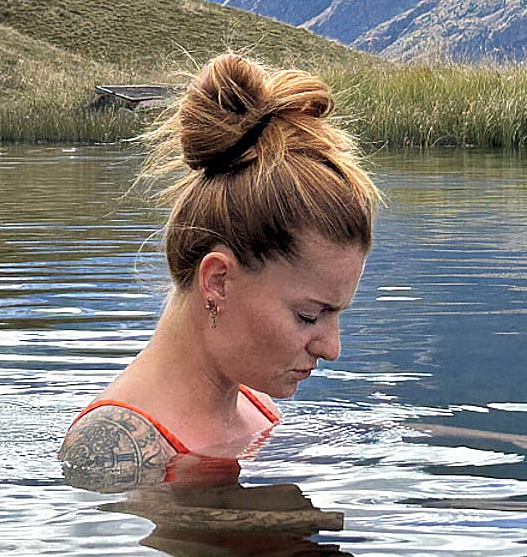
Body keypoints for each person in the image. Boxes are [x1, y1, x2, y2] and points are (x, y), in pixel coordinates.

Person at [60, 52, 380, 492]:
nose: (332, 348)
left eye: (335, 314)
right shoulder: (114, 446)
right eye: (309, 316)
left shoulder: (256, 405)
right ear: (218, 282)